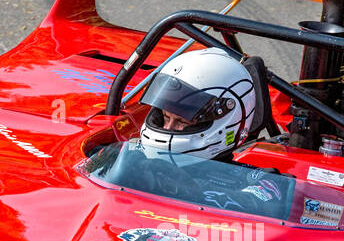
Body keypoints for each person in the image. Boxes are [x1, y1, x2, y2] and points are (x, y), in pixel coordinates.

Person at [97, 48, 291, 215]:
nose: (168, 128)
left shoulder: (257, 180)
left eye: (181, 121)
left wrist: (184, 188)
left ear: (226, 123)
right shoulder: (134, 160)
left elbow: (267, 197)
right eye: (164, 117)